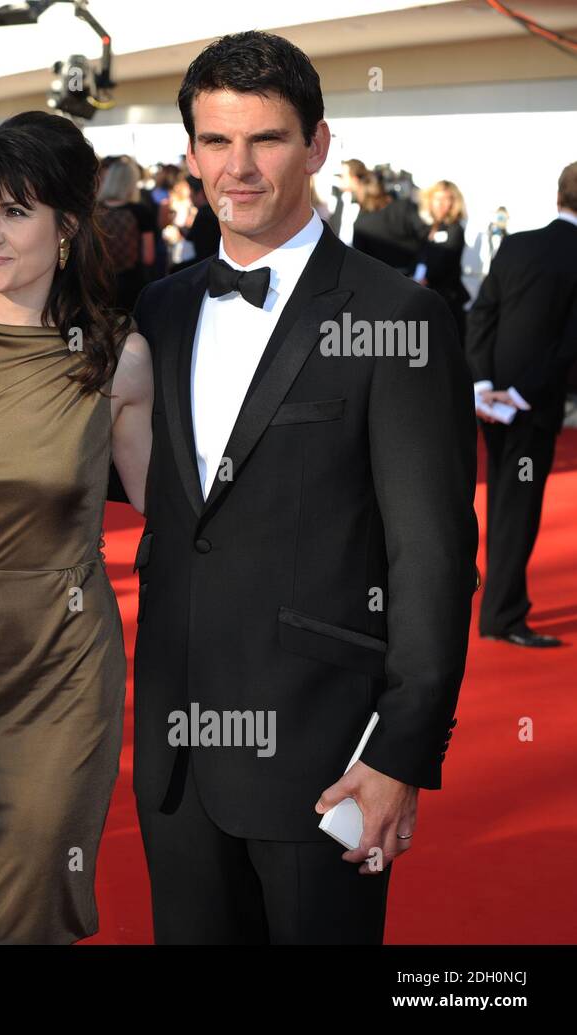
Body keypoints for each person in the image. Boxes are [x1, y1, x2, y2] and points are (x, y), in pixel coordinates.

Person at [118, 31, 477, 944]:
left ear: (318, 146)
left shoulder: (397, 315)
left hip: (323, 760)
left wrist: (402, 753)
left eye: (267, 140)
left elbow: (432, 553)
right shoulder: (161, 309)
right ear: (192, 152)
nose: (238, 169)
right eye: (216, 142)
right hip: (176, 759)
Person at [0, 110, 152, 944]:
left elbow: (168, 504)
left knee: (37, 889)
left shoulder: (116, 357)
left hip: (67, 662)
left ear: (67, 226)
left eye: (14, 211)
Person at [466, 161, 577, 648]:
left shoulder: (518, 243)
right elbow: (571, 343)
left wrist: (483, 384)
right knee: (519, 509)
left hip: (494, 404)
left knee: (504, 504)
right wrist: (522, 394)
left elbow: (482, 313)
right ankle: (503, 615)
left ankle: (499, 611)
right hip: (529, 406)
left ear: (559, 196)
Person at [97, 155, 158, 311]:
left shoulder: (93, 212)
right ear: (131, 183)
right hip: (133, 283)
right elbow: (148, 257)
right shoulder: (140, 211)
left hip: (99, 282)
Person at [415, 180, 471, 346]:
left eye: (447, 199)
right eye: (437, 199)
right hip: (426, 294)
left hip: (445, 299)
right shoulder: (430, 228)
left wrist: (424, 280)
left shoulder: (454, 229)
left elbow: (445, 261)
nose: (441, 204)